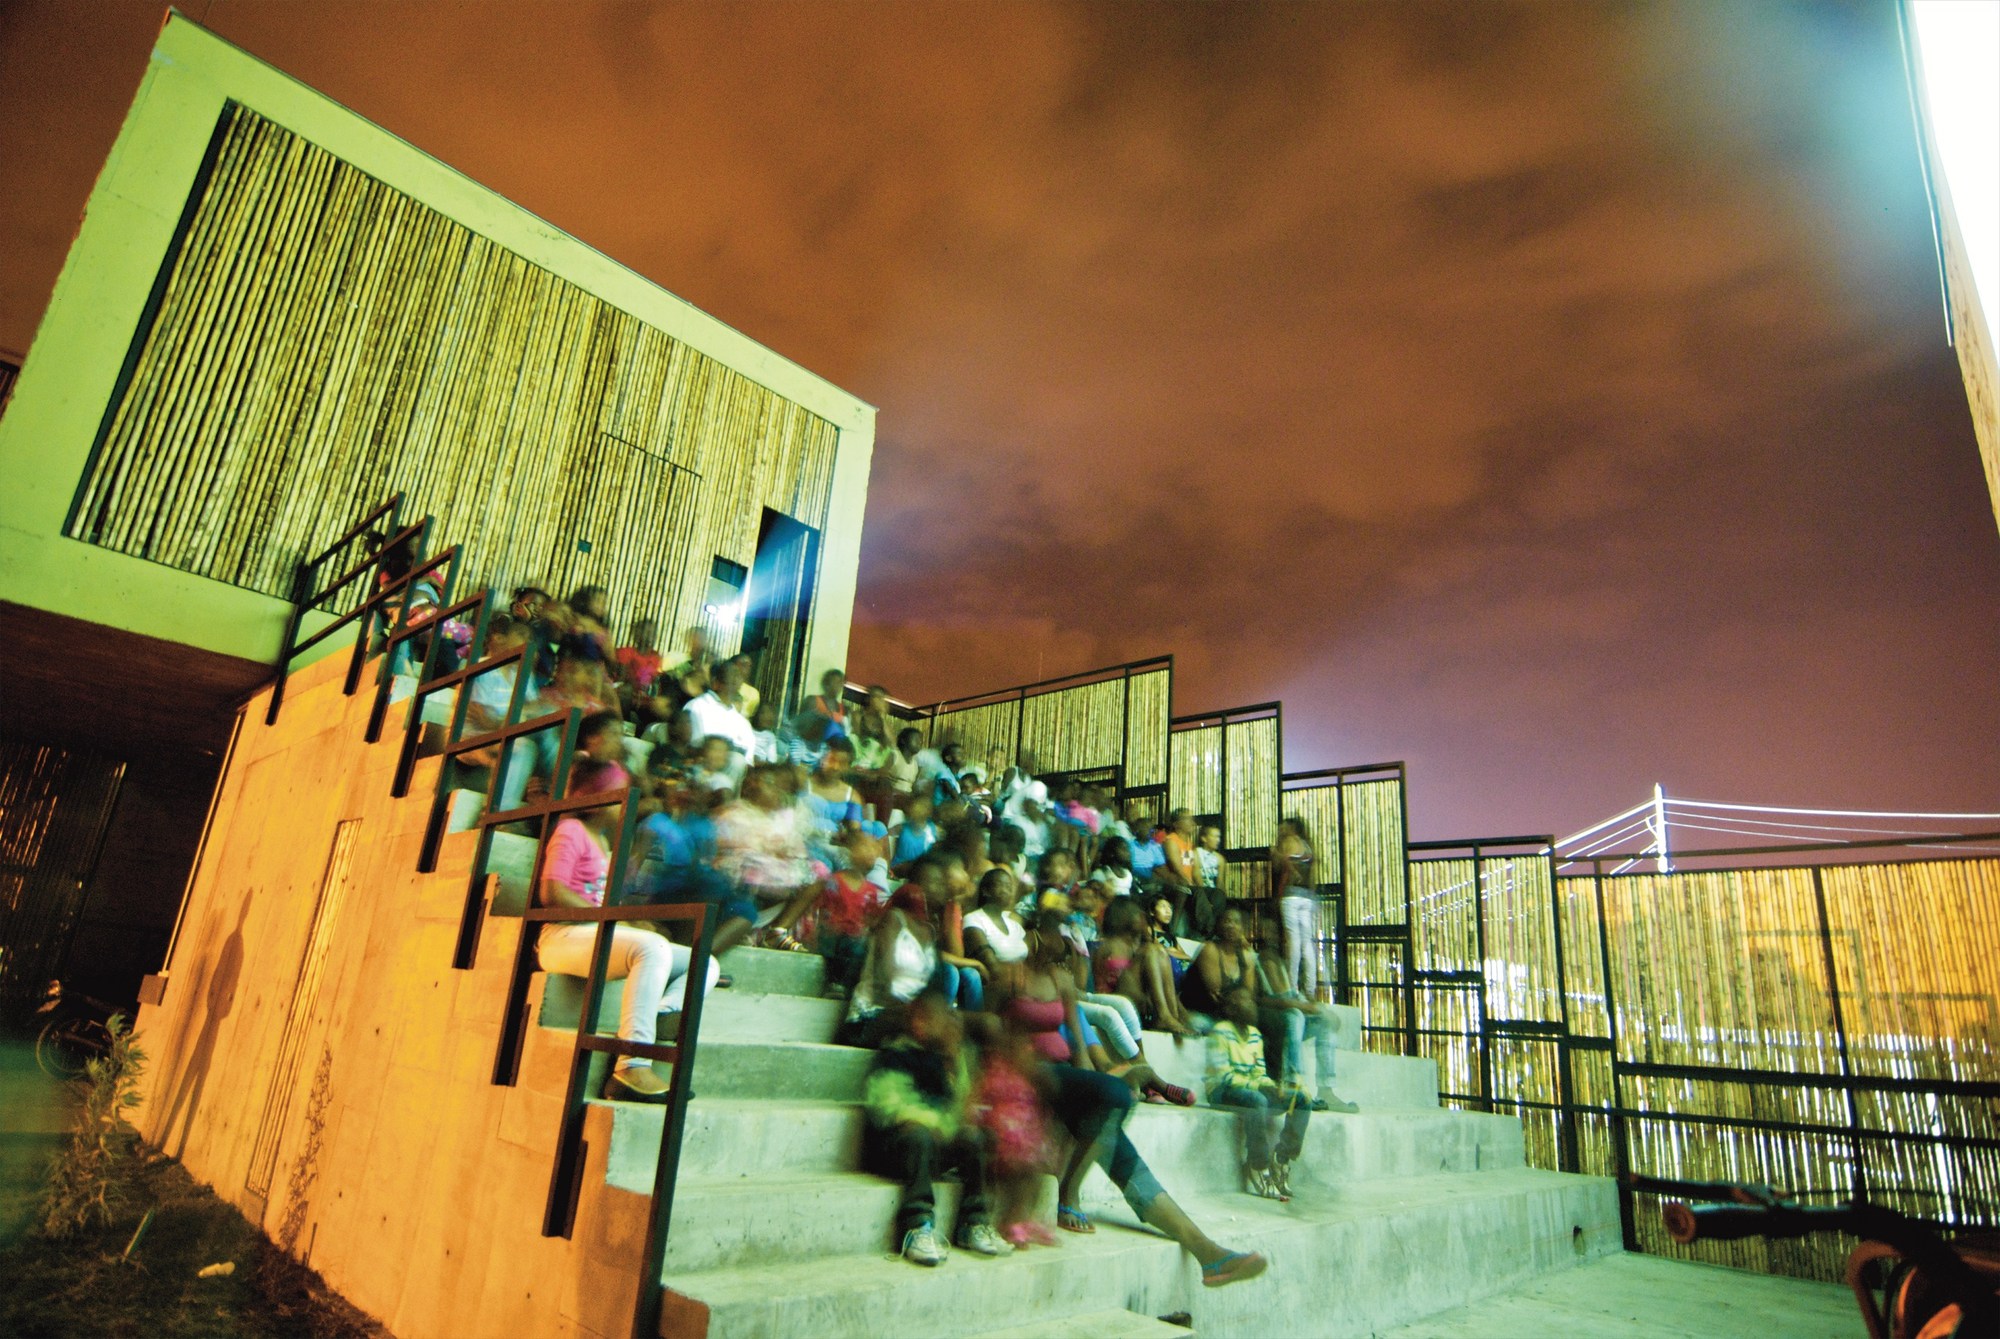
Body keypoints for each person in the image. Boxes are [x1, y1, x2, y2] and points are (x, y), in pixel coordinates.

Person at [993, 912, 1268, 1288]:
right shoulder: (1009, 975)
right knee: (1116, 1094)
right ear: (1032, 935)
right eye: (1050, 932)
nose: (1059, 940)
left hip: (1066, 1079)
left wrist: (1091, 1081)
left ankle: (1208, 1254)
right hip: (1026, 1076)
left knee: (1117, 1132)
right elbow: (991, 1034)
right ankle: (1069, 1191)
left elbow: (1079, 1046)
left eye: (1061, 935)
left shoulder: (1061, 980)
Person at [535, 799, 717, 1103]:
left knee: (705, 962)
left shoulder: (604, 839)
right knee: (652, 949)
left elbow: (601, 903)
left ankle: (657, 1013)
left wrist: (631, 920)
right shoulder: (570, 829)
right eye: (616, 796)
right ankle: (631, 1065)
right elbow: (552, 892)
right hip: (561, 935)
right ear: (595, 800)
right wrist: (617, 920)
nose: (626, 806)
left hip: (597, 932)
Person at [861, 991, 1011, 1265]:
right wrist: (938, 1125)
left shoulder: (949, 1058)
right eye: (942, 1020)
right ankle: (917, 1227)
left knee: (975, 1138)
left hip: (934, 1144)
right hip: (893, 1149)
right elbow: (891, 1107)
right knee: (917, 1134)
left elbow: (962, 1114)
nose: (949, 1026)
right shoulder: (896, 1053)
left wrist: (956, 1064)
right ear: (920, 1021)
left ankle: (973, 1223)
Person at [1206, 984, 1309, 1201]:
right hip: (1221, 1092)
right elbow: (1222, 1077)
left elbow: (1259, 1073)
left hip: (1251, 1090)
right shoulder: (1220, 1032)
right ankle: (1258, 1165)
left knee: (1300, 1100)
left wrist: (1271, 1085)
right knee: (1257, 1099)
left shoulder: (1254, 1035)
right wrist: (1259, 1086)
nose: (1252, 1005)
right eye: (1246, 1001)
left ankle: (1281, 1160)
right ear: (1232, 1008)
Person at [1256, 914, 1357, 1113]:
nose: (1271, 936)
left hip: (1293, 1017)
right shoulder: (1259, 960)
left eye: (1275, 931)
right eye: (1266, 931)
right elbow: (1260, 1000)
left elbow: (1302, 996)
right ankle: (1295, 1085)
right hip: (1274, 1021)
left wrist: (1320, 1009)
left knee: (1323, 1023)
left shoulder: (1288, 963)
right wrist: (1302, 1006)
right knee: (1295, 1016)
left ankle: (1326, 1089)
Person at [974, 1017, 1059, 1248]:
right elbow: (982, 1103)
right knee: (1021, 1172)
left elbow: (1036, 1109)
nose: (1026, 1055)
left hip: (1023, 1138)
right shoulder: (996, 1073)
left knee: (1039, 1171)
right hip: (1003, 1139)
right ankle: (1010, 1221)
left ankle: (1028, 1219)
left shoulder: (1028, 1078)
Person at [841, 879, 940, 1049]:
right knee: (927, 1025)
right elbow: (882, 978)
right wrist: (913, 1010)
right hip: (877, 1011)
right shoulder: (893, 919)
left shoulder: (928, 930)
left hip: (912, 1010)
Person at [1095, 896, 1194, 1036]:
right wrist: (1144, 996)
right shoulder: (1107, 946)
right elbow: (1103, 987)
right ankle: (1163, 1016)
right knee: (1151, 950)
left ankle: (1172, 1015)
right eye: (1137, 913)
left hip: (1140, 1002)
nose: (1142, 917)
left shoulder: (1136, 946)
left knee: (1158, 950)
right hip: (1117, 1001)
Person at [1180, 908, 1259, 1031]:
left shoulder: (1247, 957)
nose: (1231, 925)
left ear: (1242, 929)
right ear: (1218, 925)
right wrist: (1239, 999)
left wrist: (1240, 1000)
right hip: (1201, 1013)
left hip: (1230, 1015)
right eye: (1227, 921)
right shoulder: (1210, 949)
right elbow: (1216, 995)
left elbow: (1249, 995)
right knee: (1223, 1030)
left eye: (1236, 922)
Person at [1273, 816, 1322, 999]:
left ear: (1291, 828)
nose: (1280, 828)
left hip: (1291, 895)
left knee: (1292, 942)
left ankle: (1292, 987)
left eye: (1283, 826)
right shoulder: (1307, 846)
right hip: (1307, 897)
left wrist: (1274, 854)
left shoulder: (1287, 842)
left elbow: (1283, 865)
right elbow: (1312, 876)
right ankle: (1310, 988)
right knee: (1307, 943)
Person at [1189, 823, 1227, 940]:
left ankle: (1211, 932)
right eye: (1214, 836)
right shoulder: (1194, 853)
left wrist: (1222, 896)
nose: (1218, 840)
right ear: (1204, 838)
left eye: (1219, 837)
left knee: (1220, 896)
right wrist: (1206, 900)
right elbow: (1196, 875)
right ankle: (1209, 932)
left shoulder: (1220, 859)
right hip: (1199, 890)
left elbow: (1220, 881)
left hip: (1214, 893)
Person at [888, 794, 939, 877]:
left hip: (916, 872)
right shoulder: (902, 828)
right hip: (897, 870)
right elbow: (885, 836)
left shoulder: (932, 830)